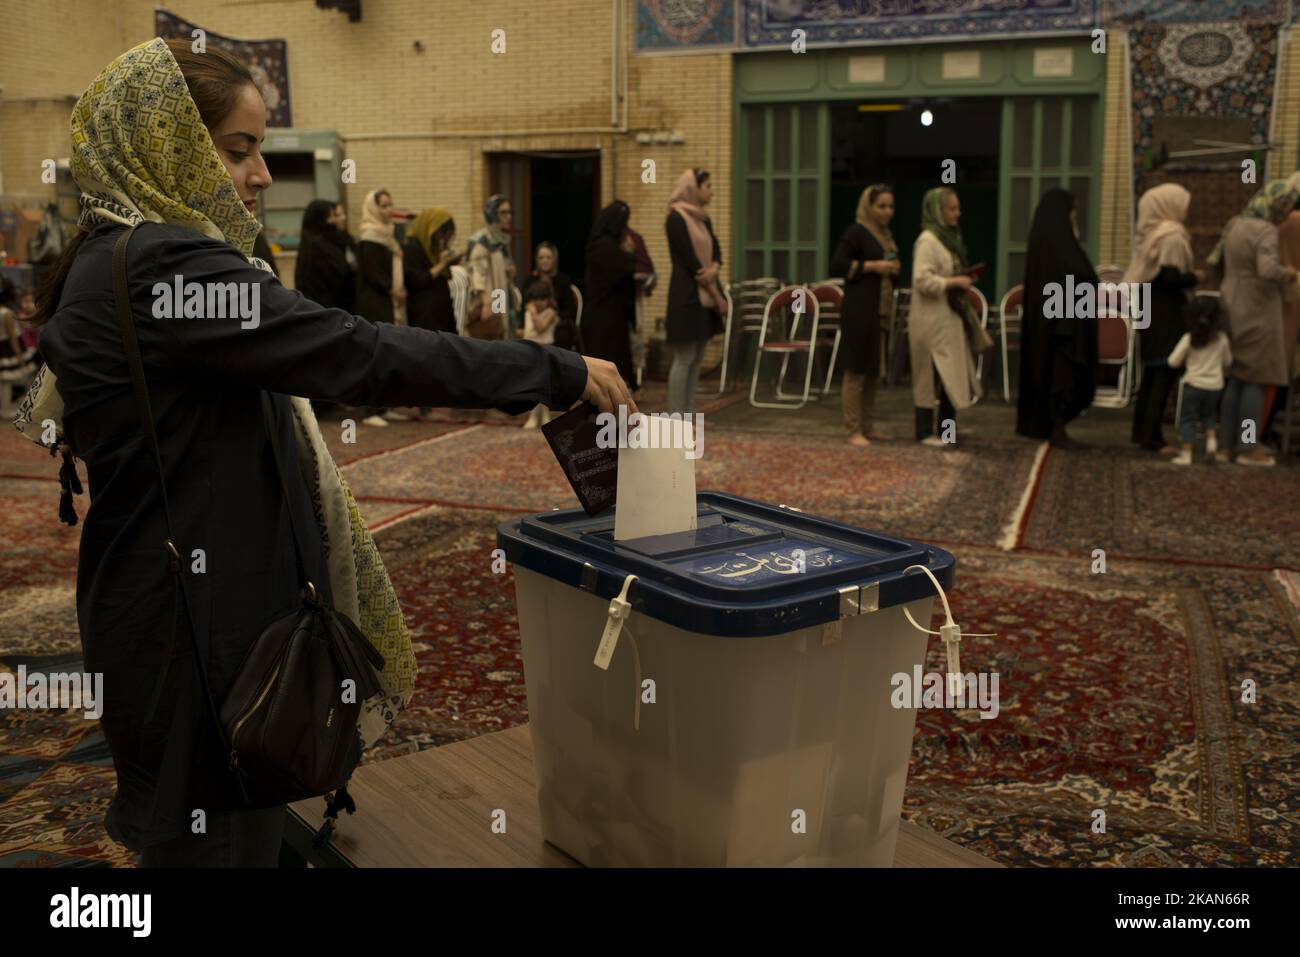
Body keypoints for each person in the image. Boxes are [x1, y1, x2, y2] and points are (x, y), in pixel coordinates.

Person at [20, 37, 633, 868]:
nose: (262, 175)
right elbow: (360, 351)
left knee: (196, 820)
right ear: (168, 145)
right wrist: (549, 368)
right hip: (195, 632)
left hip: (151, 609)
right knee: (210, 835)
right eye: (239, 151)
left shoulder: (108, 256)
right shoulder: (165, 266)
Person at [1212, 180, 1299, 466]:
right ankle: (1248, 447)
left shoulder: (1236, 223)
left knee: (1235, 379)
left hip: (1233, 303)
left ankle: (1226, 446)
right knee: (1257, 382)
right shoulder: (1265, 231)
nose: (1287, 213)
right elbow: (1266, 269)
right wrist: (1288, 273)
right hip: (1258, 309)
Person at [1016, 188, 1100, 448]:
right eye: (1071, 212)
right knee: (1060, 374)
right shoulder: (1059, 242)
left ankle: (1049, 425)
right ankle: (1055, 427)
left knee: (1052, 372)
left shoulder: (1045, 239)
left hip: (1053, 322)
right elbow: (1083, 275)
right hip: (1062, 325)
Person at [1123, 183, 1198, 453]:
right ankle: (1152, 438)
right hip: (1165, 311)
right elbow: (1170, 277)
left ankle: (1143, 434)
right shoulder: (1171, 236)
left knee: (1153, 373)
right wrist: (1196, 277)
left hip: (1148, 307)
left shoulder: (1150, 236)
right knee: (1163, 372)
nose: (1186, 211)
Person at [830, 184, 899, 447]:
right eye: (881, 206)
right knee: (856, 369)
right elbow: (838, 264)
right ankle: (853, 429)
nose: (887, 212)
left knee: (872, 370)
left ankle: (868, 426)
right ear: (868, 207)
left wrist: (893, 270)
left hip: (879, 310)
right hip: (859, 310)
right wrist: (873, 266)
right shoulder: (857, 232)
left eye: (890, 206)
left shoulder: (885, 235)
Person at [910, 187, 980, 445]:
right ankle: (925, 431)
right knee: (928, 375)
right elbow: (922, 280)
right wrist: (954, 282)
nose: (957, 214)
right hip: (930, 318)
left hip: (949, 316)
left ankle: (947, 430)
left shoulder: (948, 238)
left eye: (957, 208)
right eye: (951, 209)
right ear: (938, 211)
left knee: (951, 375)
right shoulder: (928, 240)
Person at [665, 168, 726, 414]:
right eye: (707, 186)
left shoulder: (703, 218)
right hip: (687, 295)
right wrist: (708, 278)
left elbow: (717, 250)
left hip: (705, 296)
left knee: (698, 358)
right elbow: (689, 260)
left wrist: (715, 268)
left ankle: (687, 413)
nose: (711, 191)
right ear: (693, 188)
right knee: (684, 358)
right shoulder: (676, 218)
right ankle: (675, 415)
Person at [355, 188, 407, 426]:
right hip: (373, 303)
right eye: (383, 206)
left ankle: (384, 406)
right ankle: (369, 411)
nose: (388, 210)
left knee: (388, 353)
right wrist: (393, 289)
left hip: (386, 300)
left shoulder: (388, 235)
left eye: (390, 205)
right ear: (374, 209)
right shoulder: (369, 236)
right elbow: (374, 274)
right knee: (373, 354)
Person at [1167, 295, 1232, 466]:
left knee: (1188, 419)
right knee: (1210, 417)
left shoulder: (1189, 339)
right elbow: (1228, 362)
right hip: (1215, 386)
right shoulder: (1222, 339)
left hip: (1193, 384)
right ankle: (1211, 446)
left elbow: (1173, 361)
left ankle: (1186, 454)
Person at [583, 200, 639, 390]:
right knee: (605, 371)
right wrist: (630, 253)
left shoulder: (608, 245)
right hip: (603, 319)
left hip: (612, 317)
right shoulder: (603, 246)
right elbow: (624, 266)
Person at [465, 194, 516, 339]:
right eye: (503, 212)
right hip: (490, 294)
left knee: (502, 331)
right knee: (492, 335)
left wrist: (508, 270)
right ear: (492, 213)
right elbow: (477, 271)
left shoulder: (500, 238)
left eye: (510, 212)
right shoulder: (482, 239)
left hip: (499, 291)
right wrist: (486, 301)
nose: (508, 216)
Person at [404, 208, 458, 335]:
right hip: (425, 316)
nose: (441, 236)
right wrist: (442, 264)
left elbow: (444, 277)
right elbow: (416, 280)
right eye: (440, 230)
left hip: (442, 313)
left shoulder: (432, 246)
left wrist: (448, 262)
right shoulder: (412, 247)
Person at [295, 199, 354, 313]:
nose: (336, 220)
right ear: (319, 219)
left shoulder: (329, 243)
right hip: (326, 311)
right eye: (332, 216)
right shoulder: (317, 247)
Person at [522, 280, 559, 429]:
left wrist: (533, 313)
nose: (539, 303)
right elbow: (529, 332)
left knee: (543, 384)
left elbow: (540, 328)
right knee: (533, 384)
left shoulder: (550, 314)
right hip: (530, 350)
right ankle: (534, 415)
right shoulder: (529, 313)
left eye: (542, 299)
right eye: (535, 299)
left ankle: (544, 415)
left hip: (545, 350)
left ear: (548, 299)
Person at [529, 241, 579, 350]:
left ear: (554, 259)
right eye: (541, 258)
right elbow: (525, 302)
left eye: (548, 257)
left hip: (557, 324)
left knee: (563, 334)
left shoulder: (563, 280)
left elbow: (570, 309)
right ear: (536, 260)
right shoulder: (530, 280)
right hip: (533, 321)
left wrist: (553, 317)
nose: (545, 261)